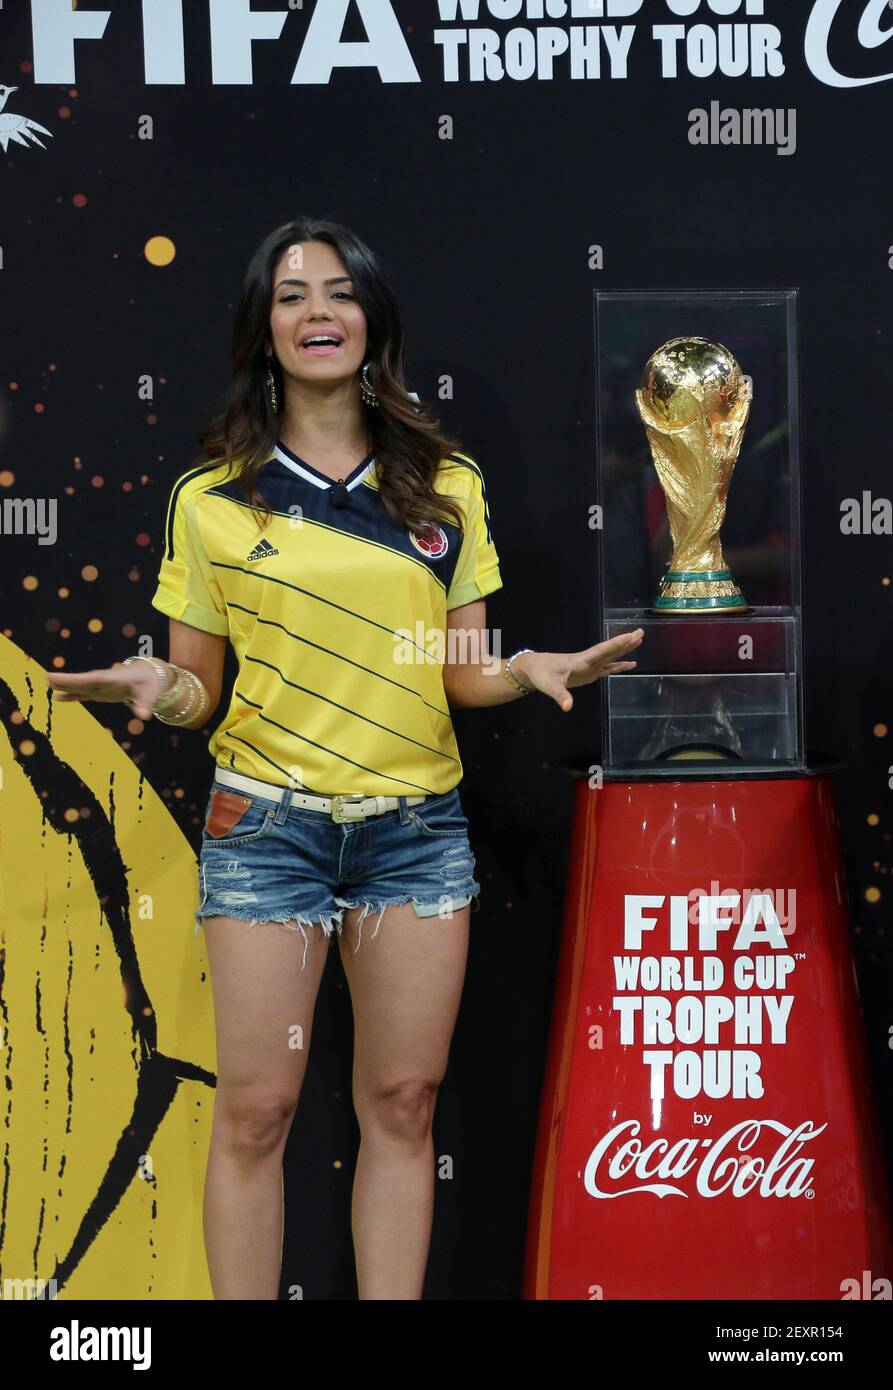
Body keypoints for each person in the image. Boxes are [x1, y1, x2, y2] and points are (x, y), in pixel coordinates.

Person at [44, 217, 644, 1300]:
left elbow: (461, 672)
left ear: (372, 319)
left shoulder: (443, 483)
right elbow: (198, 690)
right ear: (260, 327)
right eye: (289, 295)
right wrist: (156, 685)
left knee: (404, 1103)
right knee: (256, 1109)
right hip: (265, 834)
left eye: (336, 291)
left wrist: (524, 672)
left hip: (413, 836)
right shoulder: (213, 495)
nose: (316, 312)